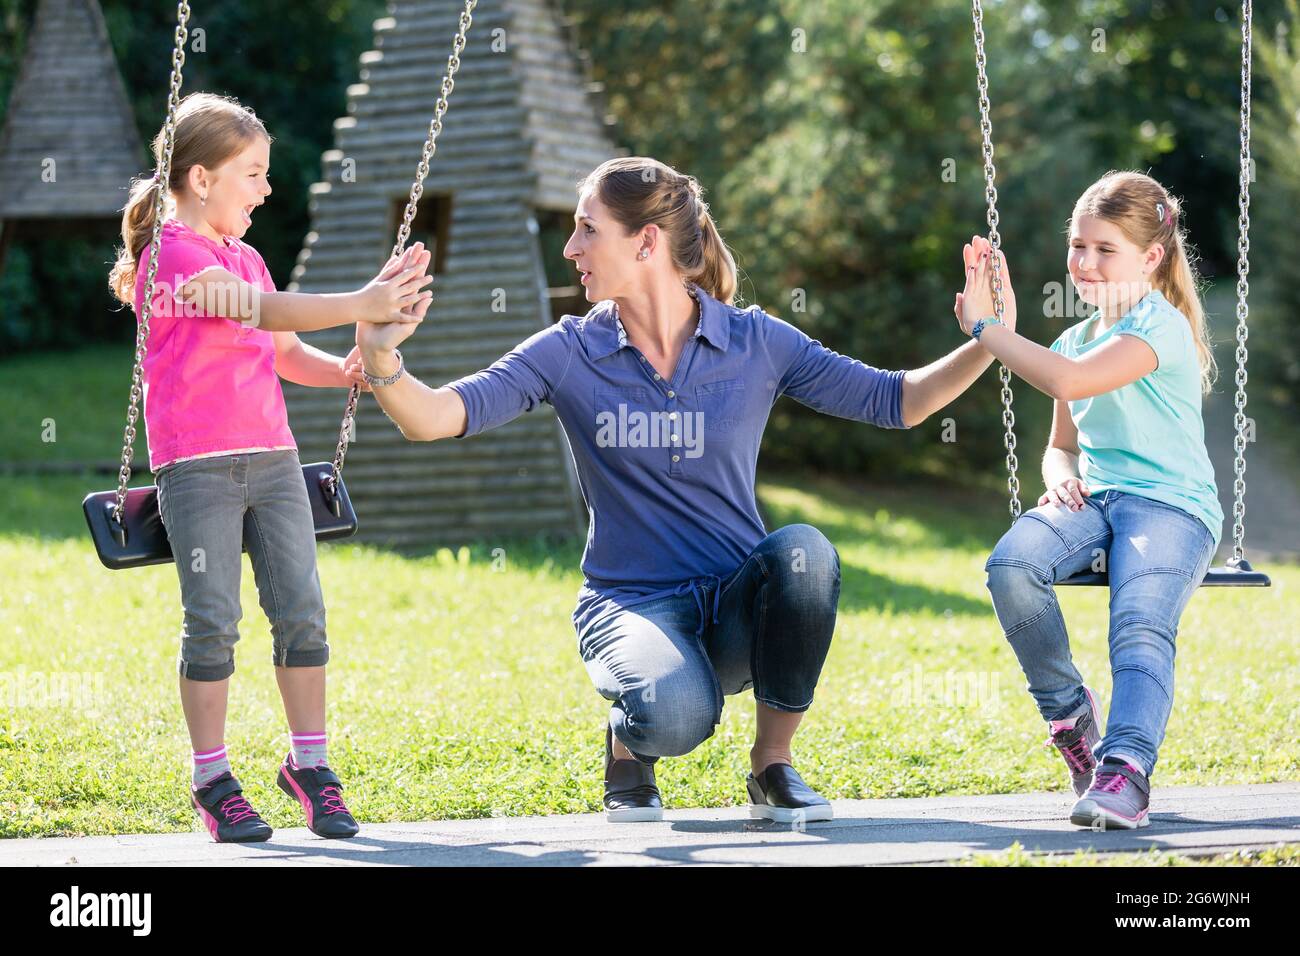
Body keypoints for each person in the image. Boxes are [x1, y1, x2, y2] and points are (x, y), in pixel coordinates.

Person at [348, 156, 1010, 823]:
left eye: (587, 230)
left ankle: (773, 762)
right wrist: (381, 359)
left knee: (804, 553)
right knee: (673, 719)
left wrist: (990, 338)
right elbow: (436, 417)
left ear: (645, 242)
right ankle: (629, 746)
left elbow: (900, 400)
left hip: (734, 608)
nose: (571, 248)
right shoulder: (568, 350)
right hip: (631, 603)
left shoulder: (755, 341)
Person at [108, 91, 434, 842]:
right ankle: (213, 778)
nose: (265, 188)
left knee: (302, 613)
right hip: (198, 468)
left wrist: (350, 370)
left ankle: (310, 767)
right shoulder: (171, 255)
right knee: (213, 623)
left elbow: (284, 351)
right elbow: (255, 311)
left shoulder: (246, 254)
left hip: (276, 462)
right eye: (252, 173)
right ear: (199, 178)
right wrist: (361, 298)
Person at [957, 170, 1222, 829]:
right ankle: (1070, 715)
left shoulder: (1159, 327)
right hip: (1095, 502)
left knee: (1138, 622)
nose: (1086, 262)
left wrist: (987, 329)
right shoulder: (1075, 338)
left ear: (1151, 257)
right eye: (1079, 246)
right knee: (1011, 566)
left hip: (1170, 505)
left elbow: (1070, 380)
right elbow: (1062, 440)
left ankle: (1125, 770)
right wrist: (1059, 472)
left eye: (1106, 249)